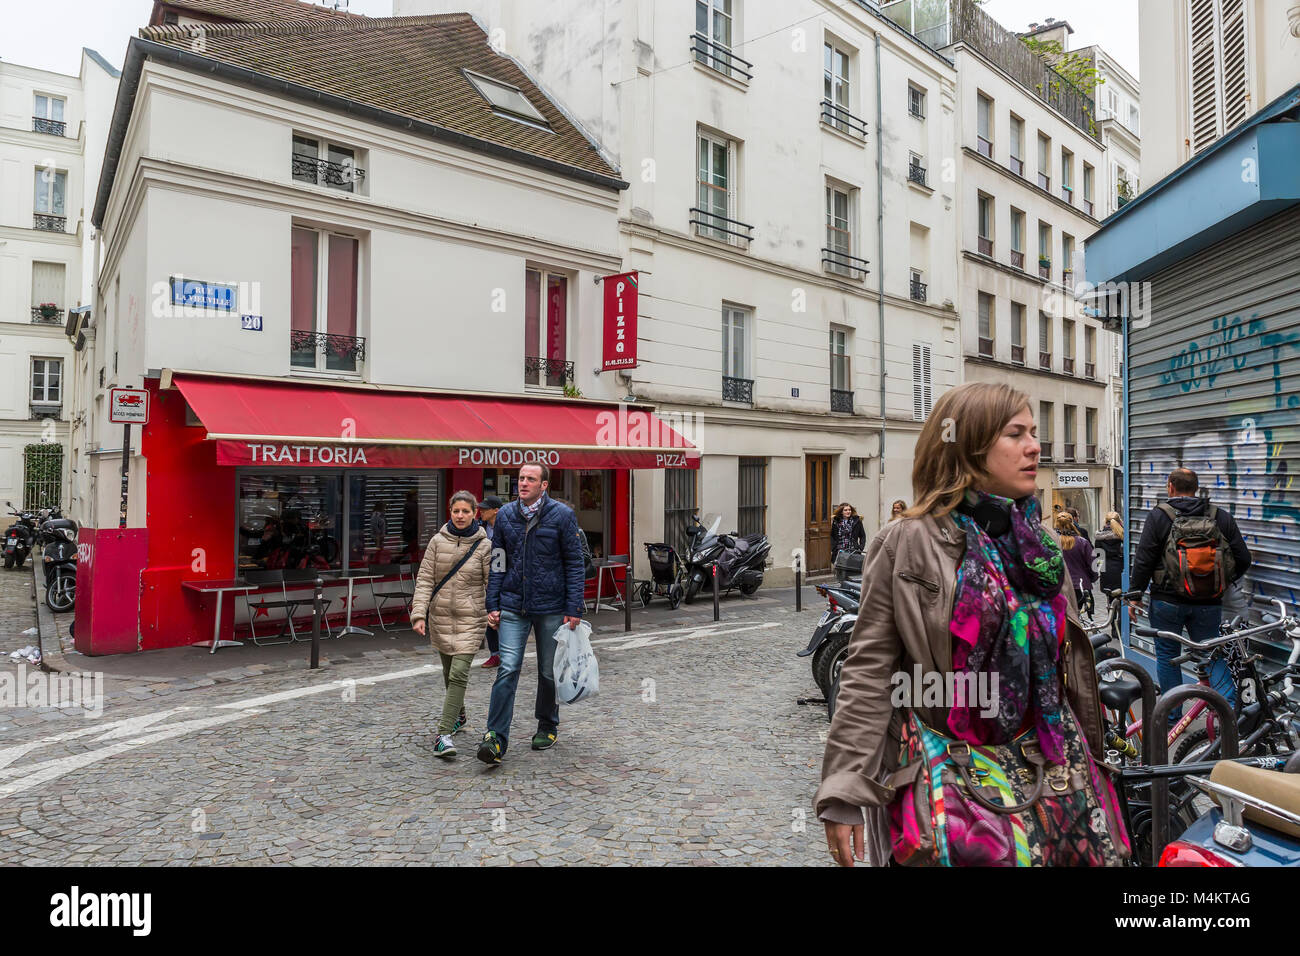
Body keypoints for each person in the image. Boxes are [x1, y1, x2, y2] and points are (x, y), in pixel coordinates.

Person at [817, 382, 1124, 867]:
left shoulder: (1040, 545)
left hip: (1051, 774)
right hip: (956, 781)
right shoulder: (908, 542)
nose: (1034, 446)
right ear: (968, 450)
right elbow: (871, 670)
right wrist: (843, 787)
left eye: (1033, 433)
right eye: (1015, 434)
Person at [478, 464, 585, 765]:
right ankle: (495, 737)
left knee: (548, 671)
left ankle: (547, 724)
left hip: (551, 606)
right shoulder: (506, 516)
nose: (523, 483)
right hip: (513, 604)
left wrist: (573, 606)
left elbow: (574, 563)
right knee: (508, 668)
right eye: (521, 478)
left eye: (530, 479)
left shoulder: (562, 516)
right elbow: (497, 561)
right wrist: (493, 603)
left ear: (544, 485)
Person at [1128, 468, 1252, 719]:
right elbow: (1243, 558)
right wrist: (1222, 582)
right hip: (1209, 602)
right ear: (1196, 488)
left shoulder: (1159, 516)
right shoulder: (1219, 516)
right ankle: (1226, 712)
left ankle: (1172, 715)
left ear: (1170, 486)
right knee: (1213, 653)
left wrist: (1134, 595)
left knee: (1166, 654)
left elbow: (1144, 560)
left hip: (1167, 601)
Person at [410, 491, 492, 759]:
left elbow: (492, 583)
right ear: (450, 511)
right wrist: (418, 614)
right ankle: (460, 715)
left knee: (458, 674)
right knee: (448, 674)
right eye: (456, 511)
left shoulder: (484, 546)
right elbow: (424, 581)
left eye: (465, 511)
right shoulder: (437, 542)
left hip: (471, 618)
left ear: (474, 513)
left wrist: (495, 610)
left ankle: (443, 735)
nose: (460, 516)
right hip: (441, 617)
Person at [1055, 511, 1097, 620]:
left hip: (1059, 586)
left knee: (1061, 617)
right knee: (1075, 616)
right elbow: (1093, 565)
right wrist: (1092, 578)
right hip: (1079, 585)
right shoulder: (1083, 542)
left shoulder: (1052, 542)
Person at [478, 495, 504, 669]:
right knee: (489, 615)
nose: (481, 511)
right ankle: (494, 654)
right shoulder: (480, 528)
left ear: (496, 510)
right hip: (485, 577)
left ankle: (506, 653)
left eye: (485, 509)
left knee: (504, 618)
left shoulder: (506, 528)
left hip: (503, 577)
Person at [1094, 512, 1124, 596]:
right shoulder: (1123, 536)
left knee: (1109, 596)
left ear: (1105, 521)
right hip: (1120, 570)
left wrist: (1098, 572)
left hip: (1106, 571)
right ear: (1119, 521)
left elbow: (1098, 557)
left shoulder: (1099, 537)